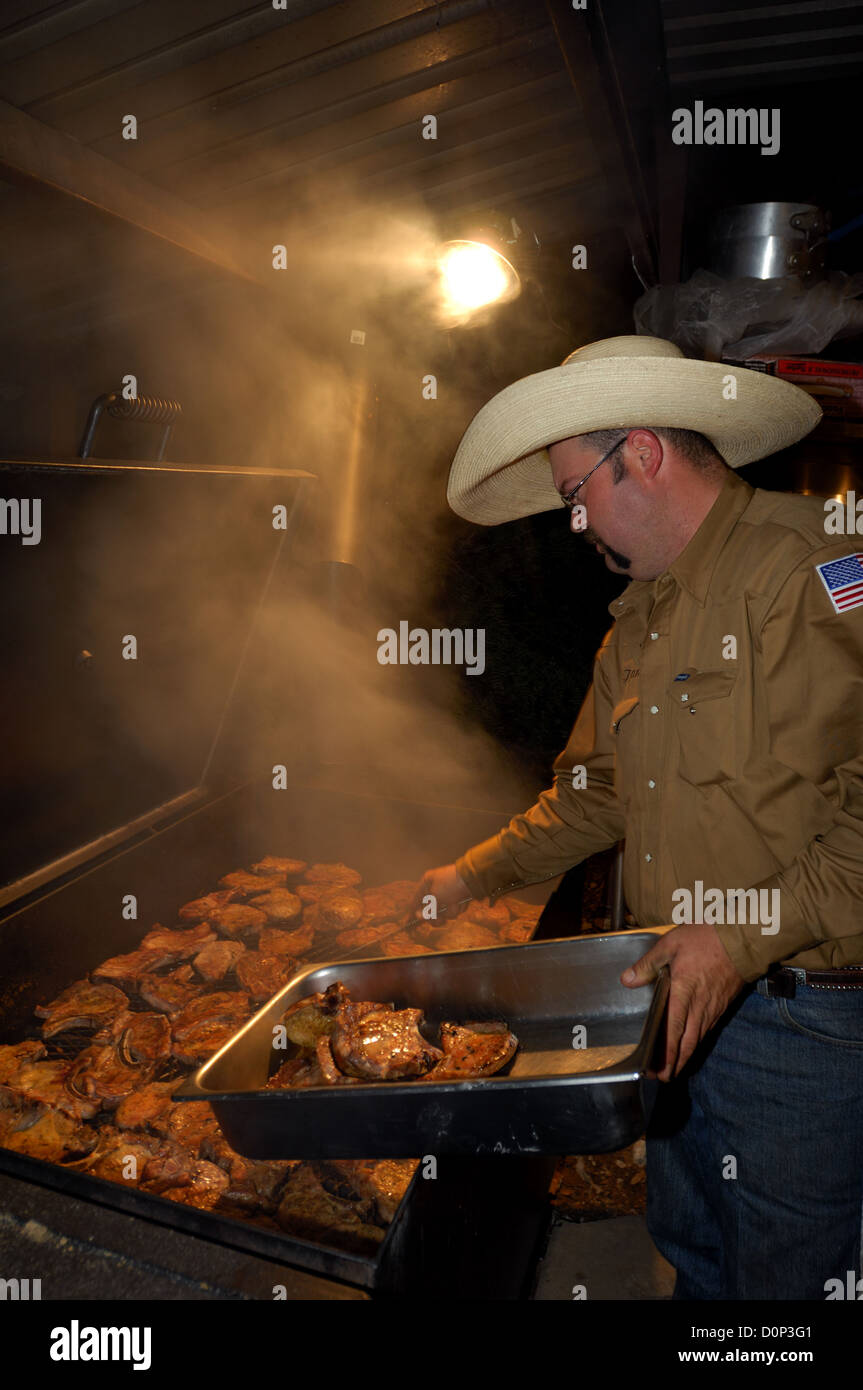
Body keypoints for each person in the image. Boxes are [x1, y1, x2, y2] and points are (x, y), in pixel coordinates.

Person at [417, 335, 863, 1300]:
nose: (576, 524)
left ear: (644, 453)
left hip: (801, 1023)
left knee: (787, 1282)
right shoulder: (640, 622)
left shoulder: (814, 571)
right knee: (693, 1242)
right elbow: (599, 792)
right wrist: (466, 877)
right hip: (672, 992)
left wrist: (739, 936)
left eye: (576, 493)